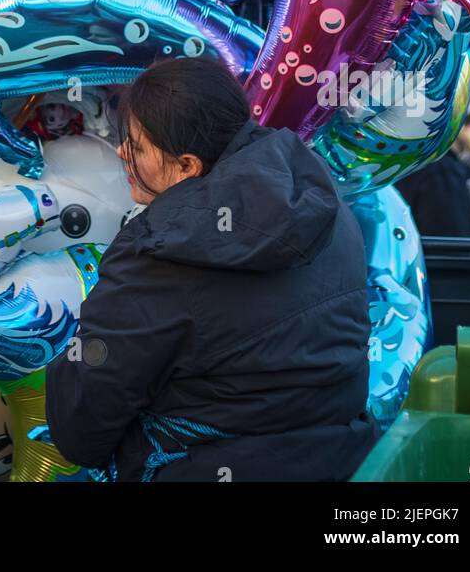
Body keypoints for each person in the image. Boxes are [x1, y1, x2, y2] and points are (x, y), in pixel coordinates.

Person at [45, 58, 379, 483]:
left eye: (138, 147)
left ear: (187, 166)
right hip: (347, 462)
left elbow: (81, 429)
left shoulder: (158, 253)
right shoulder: (320, 198)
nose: (121, 153)